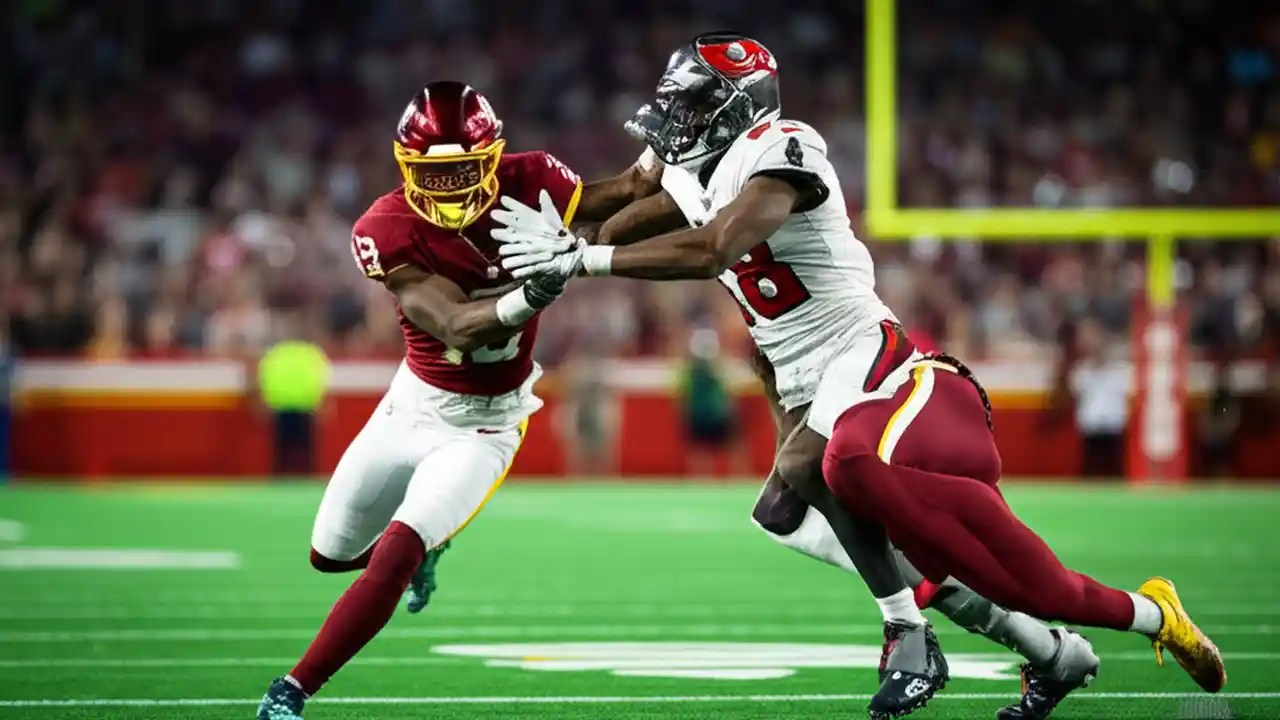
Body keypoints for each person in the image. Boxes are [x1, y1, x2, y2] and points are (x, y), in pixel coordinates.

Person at [491, 33, 1096, 719]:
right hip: (792, 364)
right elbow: (623, 209)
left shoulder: (781, 148)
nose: (681, 119)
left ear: (736, 105)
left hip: (854, 346)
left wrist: (585, 260)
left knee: (810, 469)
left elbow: (713, 246)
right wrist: (532, 216)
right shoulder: (693, 163)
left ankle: (909, 632)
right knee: (789, 517)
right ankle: (1049, 651)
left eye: (697, 105)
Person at [255, 80, 660, 720]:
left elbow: (631, 191)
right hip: (412, 405)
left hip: (488, 424)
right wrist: (536, 291)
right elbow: (455, 326)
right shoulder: (386, 227)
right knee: (328, 556)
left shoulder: (532, 180)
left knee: (396, 551)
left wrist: (668, 150)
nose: (448, 190)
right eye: (434, 177)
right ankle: (425, 547)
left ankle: (293, 689)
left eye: (463, 172)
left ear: (493, 158)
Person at [819, 351, 1227, 718]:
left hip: (920, 407)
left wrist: (902, 612)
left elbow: (843, 460)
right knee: (1027, 593)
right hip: (921, 438)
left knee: (843, 466)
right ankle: (1117, 632)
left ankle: (1152, 616)